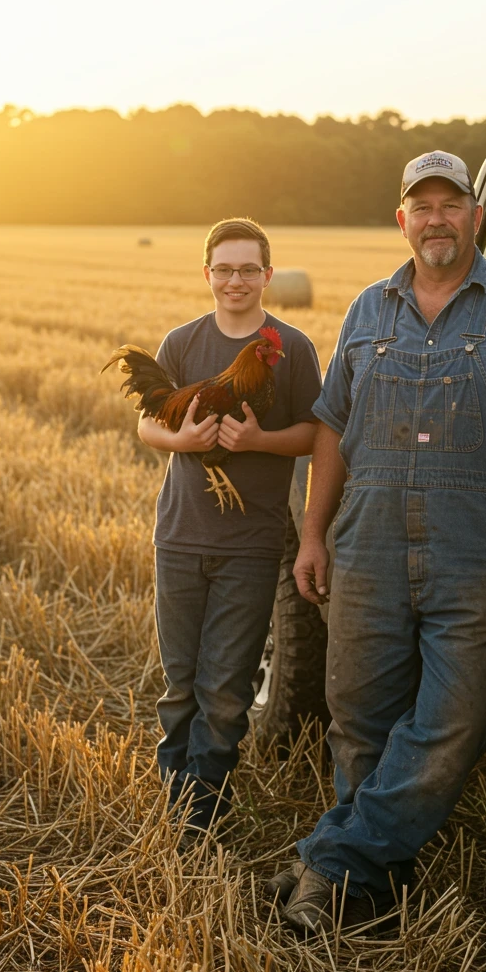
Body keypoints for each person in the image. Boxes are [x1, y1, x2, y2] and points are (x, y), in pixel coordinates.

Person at [267, 152, 486, 928]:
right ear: (403, 220)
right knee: (357, 717)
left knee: (450, 727)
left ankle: (328, 863)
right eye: (420, 205)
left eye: (450, 203)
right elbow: (332, 424)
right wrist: (312, 535)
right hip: (367, 543)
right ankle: (362, 890)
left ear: (475, 214)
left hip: (479, 552)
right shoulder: (368, 309)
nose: (436, 218)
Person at [138, 218, 321, 837]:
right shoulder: (182, 342)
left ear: (269, 276)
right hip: (180, 538)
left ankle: (201, 818)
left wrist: (261, 441)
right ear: (208, 274)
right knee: (180, 687)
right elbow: (147, 426)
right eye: (224, 269)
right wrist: (182, 439)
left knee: (226, 693)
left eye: (248, 269)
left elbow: (314, 434)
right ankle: (175, 812)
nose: (235, 279)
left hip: (250, 546)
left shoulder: (291, 347)